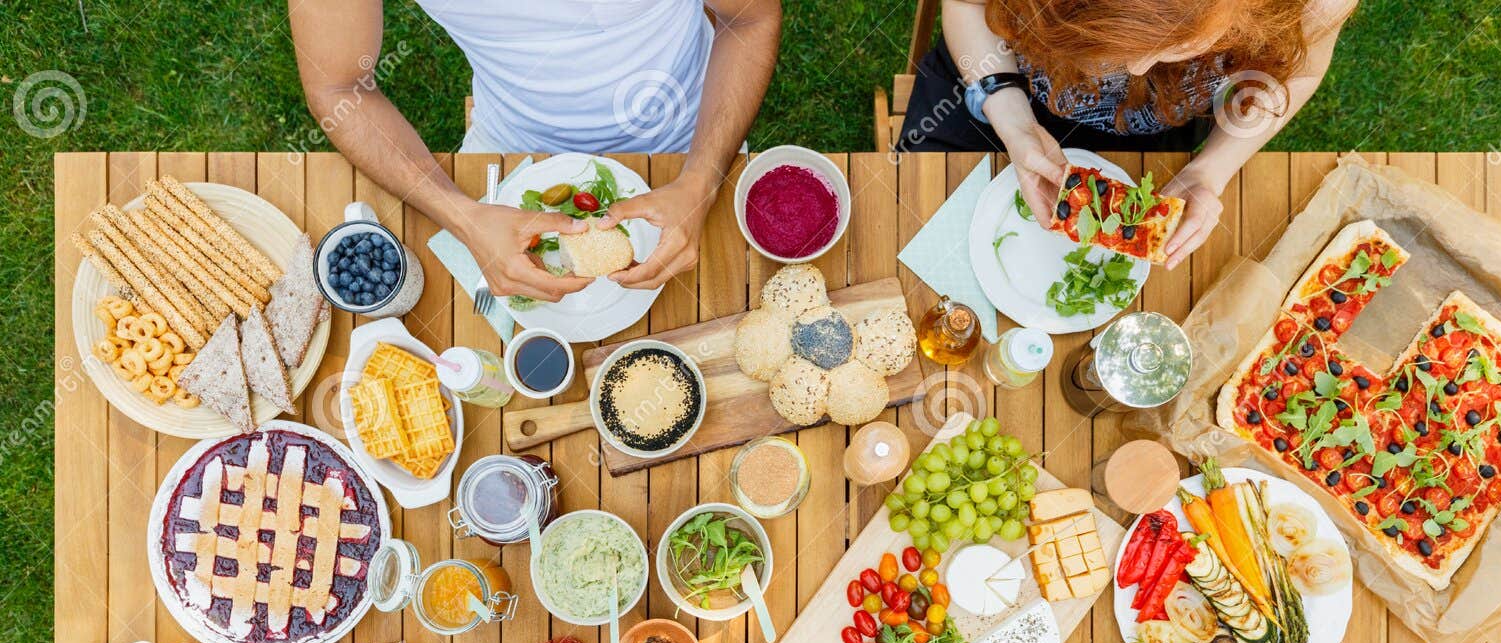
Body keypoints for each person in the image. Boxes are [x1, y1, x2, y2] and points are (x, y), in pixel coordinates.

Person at [288, 0, 781, 300]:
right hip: (508, 144)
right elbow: (338, 89)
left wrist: (701, 179)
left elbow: (749, 19)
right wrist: (463, 217)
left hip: (691, 137)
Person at [898, 0, 1357, 265]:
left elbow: (1298, 70)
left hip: (1158, 126)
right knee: (911, 220)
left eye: (1175, 47)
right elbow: (967, 3)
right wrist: (1013, 119)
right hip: (997, 85)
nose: (1136, 69)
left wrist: (1212, 169)